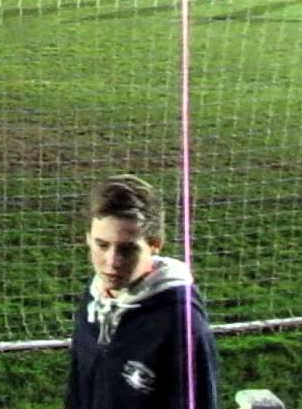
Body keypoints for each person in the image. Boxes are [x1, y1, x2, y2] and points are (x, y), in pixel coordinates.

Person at [66, 174, 220, 409]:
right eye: (102, 245)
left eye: (127, 250)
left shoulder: (181, 324)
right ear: (87, 239)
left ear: (155, 244)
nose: (112, 262)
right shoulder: (93, 297)